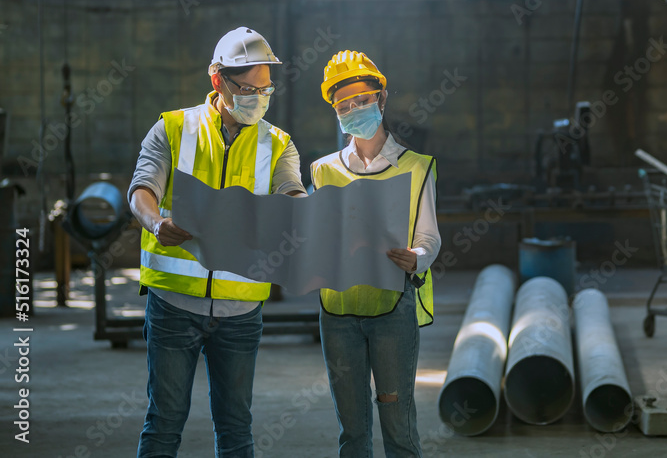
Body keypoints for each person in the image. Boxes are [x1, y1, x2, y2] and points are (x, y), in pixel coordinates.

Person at [129, 27, 307, 458]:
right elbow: (141, 190)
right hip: (174, 305)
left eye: (265, 90)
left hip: (241, 312)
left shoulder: (278, 143)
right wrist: (155, 224)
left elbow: (291, 191)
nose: (257, 98)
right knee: (165, 421)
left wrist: (304, 211)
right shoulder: (173, 128)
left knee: (235, 426)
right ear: (217, 80)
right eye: (247, 89)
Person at [311, 50, 440, 457]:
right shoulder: (323, 170)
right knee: (352, 430)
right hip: (338, 312)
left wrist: (416, 256)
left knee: (398, 425)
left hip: (392, 309)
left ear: (381, 99)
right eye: (343, 105)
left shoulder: (416, 166)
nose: (353, 109)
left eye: (361, 100)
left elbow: (429, 236)